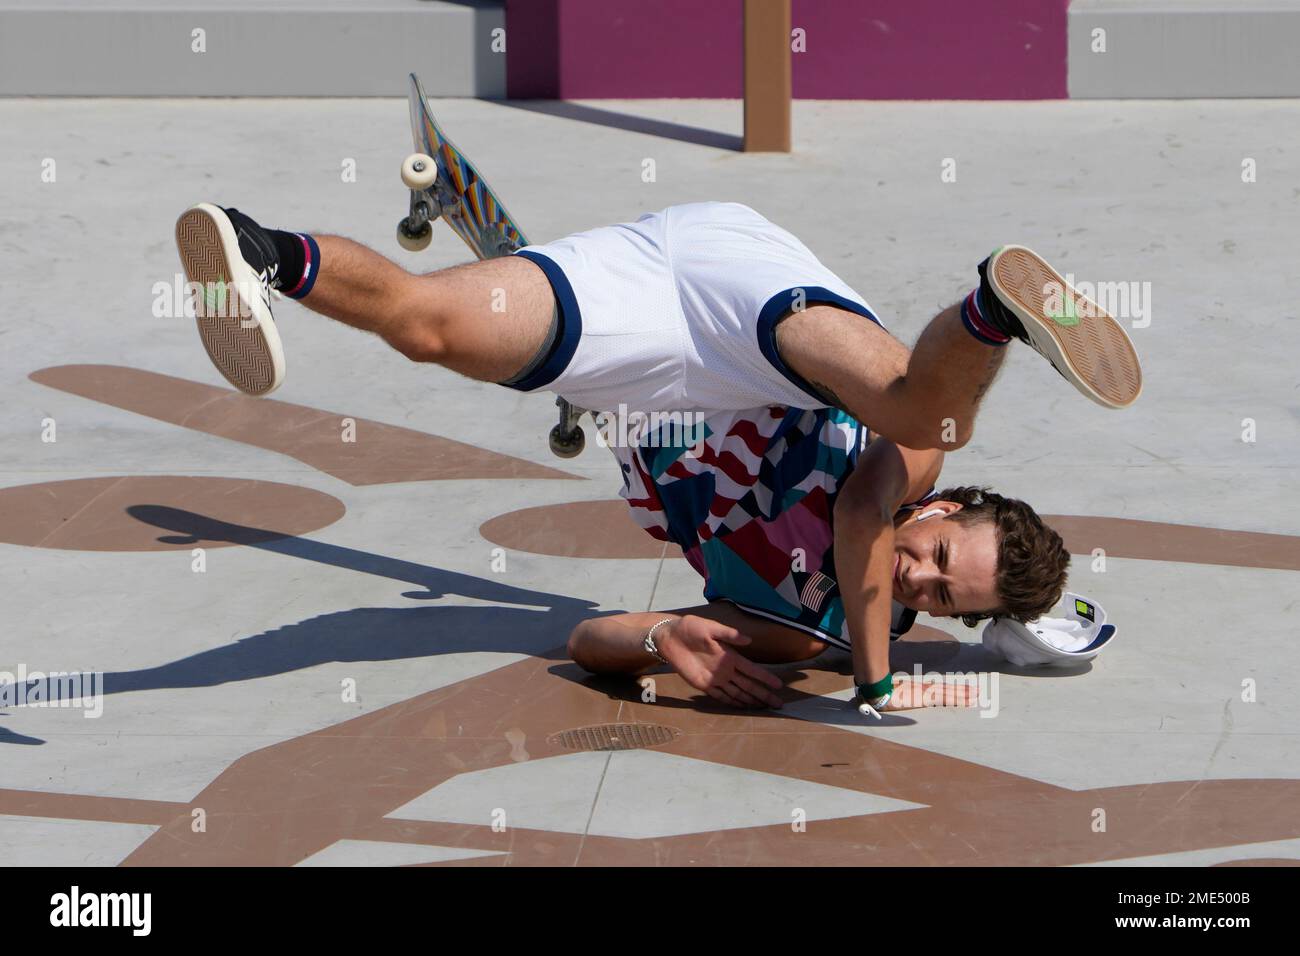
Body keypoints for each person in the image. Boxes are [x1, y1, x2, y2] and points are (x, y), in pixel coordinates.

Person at [174, 200, 1141, 713]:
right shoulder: (903, 480)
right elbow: (857, 525)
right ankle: (999, 309)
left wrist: (662, 643)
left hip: (643, 362)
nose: (918, 574)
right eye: (937, 554)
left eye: (941, 598)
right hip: (751, 306)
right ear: (938, 513)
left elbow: (592, 638)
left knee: (431, 329)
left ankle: (259, 253)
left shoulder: (794, 630)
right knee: (926, 416)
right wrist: (875, 683)